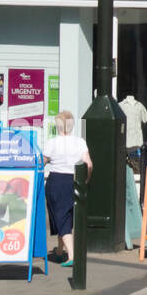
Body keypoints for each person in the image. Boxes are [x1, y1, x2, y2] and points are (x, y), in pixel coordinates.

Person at [43, 111, 91, 267]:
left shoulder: (52, 142)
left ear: (57, 126)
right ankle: (59, 250)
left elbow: (41, 162)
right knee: (66, 216)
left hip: (56, 181)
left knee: (60, 217)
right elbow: (89, 164)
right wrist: (85, 180)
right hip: (73, 180)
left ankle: (72, 256)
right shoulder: (80, 142)